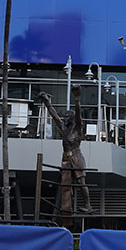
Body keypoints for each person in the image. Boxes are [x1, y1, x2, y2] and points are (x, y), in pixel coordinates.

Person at [37, 86, 93, 214]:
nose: (65, 118)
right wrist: (46, 101)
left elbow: (79, 114)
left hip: (76, 157)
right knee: (65, 185)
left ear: (72, 119)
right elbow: (53, 113)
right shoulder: (63, 127)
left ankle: (88, 205)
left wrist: (77, 98)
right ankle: (66, 210)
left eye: (68, 117)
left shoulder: (78, 128)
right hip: (66, 158)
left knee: (81, 182)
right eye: (65, 116)